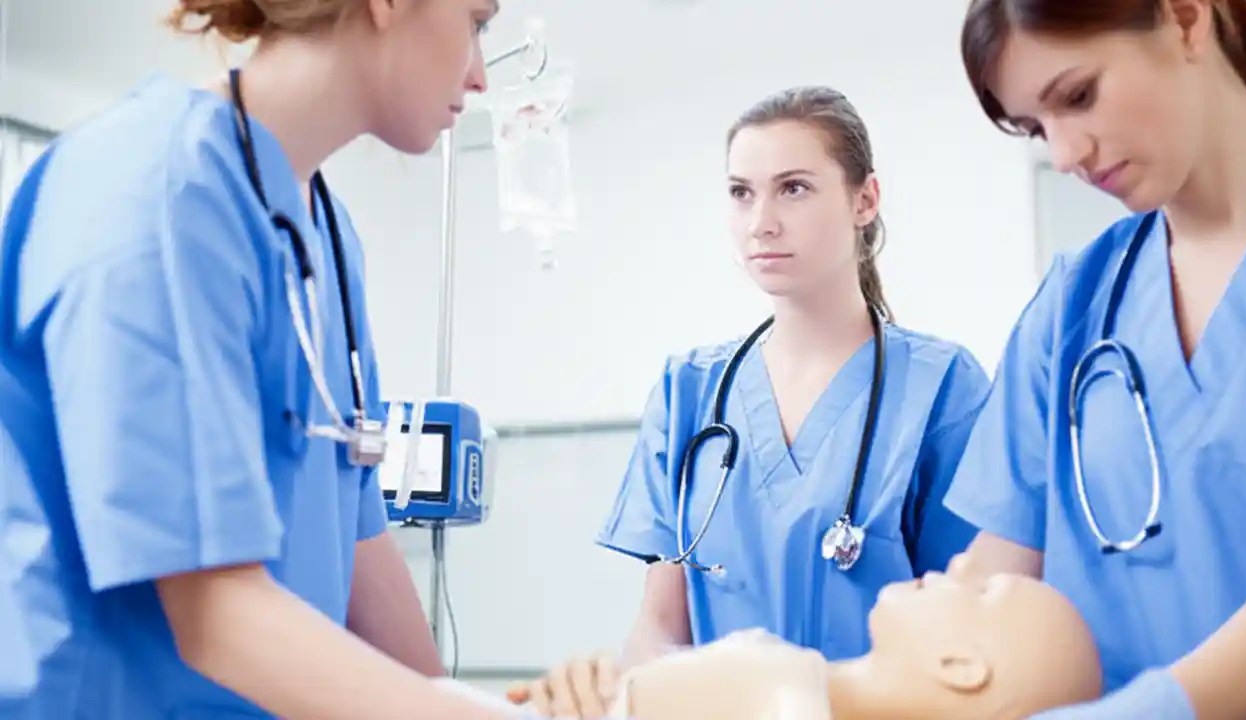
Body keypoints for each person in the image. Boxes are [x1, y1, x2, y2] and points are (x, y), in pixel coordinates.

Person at [0, 0, 545, 718]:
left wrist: (451, 699)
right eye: (476, 22)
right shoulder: (156, 192)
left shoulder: (324, 232)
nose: (478, 75)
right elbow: (215, 616)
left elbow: (357, 543)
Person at [508, 86, 991, 718]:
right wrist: (617, 692)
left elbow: (966, 635)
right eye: (741, 192)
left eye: (793, 188)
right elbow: (659, 629)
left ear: (864, 199)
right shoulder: (689, 392)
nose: (761, 220)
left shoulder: (941, 388)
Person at [942, 0, 1246, 718]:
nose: (1064, 156)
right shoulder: (1073, 310)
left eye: (1078, 96)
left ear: (1186, 18)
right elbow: (993, 582)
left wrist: (1158, 708)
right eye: (1036, 128)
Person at [612, 555, 1103, 720]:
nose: (962, 563)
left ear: (959, 666)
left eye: (982, 592)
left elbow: (617, 702)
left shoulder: (774, 681)